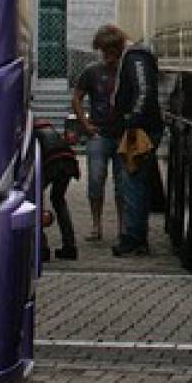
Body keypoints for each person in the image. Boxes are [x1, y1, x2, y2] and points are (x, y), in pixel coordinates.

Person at [107, 32, 164, 256]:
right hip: (139, 128)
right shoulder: (136, 57)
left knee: (132, 181)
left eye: (106, 53)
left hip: (138, 131)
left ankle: (135, 237)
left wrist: (132, 120)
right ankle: (136, 235)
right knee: (136, 180)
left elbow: (143, 91)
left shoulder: (135, 58)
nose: (106, 59)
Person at [71, 25, 125, 243]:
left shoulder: (126, 71)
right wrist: (86, 124)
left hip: (121, 135)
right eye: (106, 52)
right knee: (95, 179)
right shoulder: (92, 71)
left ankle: (123, 226)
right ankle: (96, 224)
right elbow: (77, 97)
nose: (109, 57)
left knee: (123, 183)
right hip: (99, 134)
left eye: (113, 52)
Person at [34, 117, 80, 260]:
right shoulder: (54, 133)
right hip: (68, 162)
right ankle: (69, 246)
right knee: (59, 200)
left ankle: (41, 248)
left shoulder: (33, 134)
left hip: (51, 163)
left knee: (36, 201)